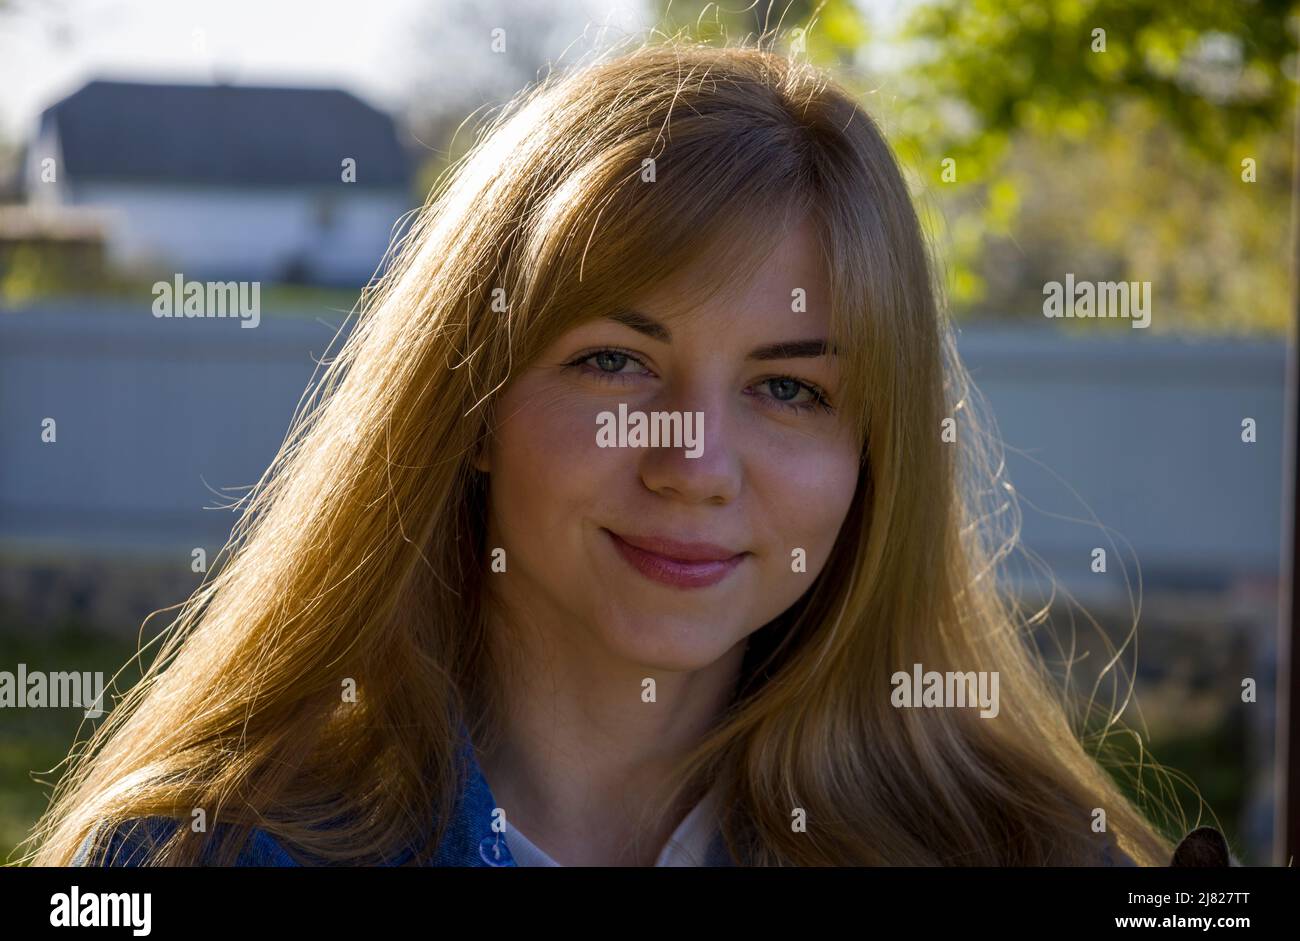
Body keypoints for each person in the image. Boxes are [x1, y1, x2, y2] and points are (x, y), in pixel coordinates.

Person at [30, 35, 1177, 867]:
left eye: (789, 386)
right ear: (469, 405)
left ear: (874, 456)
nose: (694, 461)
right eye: (614, 362)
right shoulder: (183, 856)